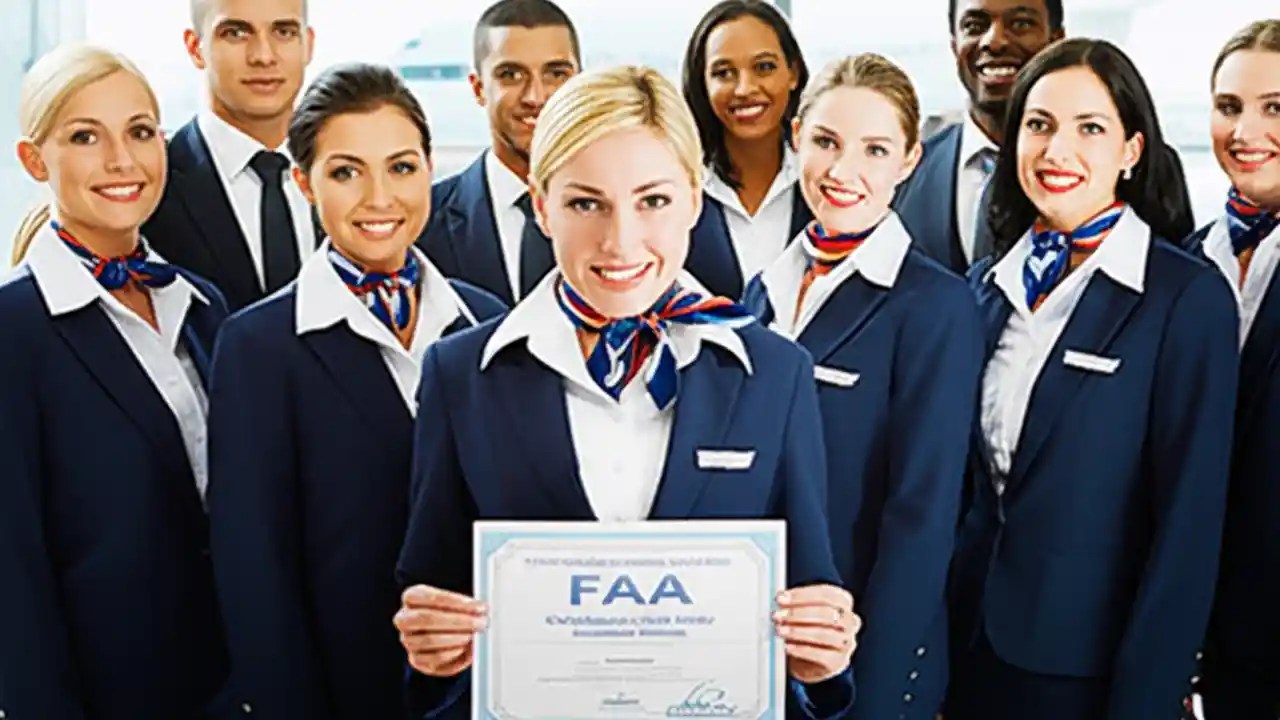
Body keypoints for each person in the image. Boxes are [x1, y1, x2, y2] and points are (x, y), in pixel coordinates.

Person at [393, 65, 859, 720]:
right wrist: (430, 651)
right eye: (587, 203)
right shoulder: (460, 375)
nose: (620, 241)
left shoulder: (774, 375)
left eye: (654, 201)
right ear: (541, 204)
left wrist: (822, 664)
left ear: (695, 199)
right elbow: (430, 604)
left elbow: (810, 610)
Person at [946, 38, 1238, 720]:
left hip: (1089, 673)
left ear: (1132, 150)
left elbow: (1188, 533)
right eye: (1039, 124)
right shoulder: (983, 290)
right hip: (968, 658)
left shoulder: (1184, 300)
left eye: (1090, 128)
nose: (1056, 151)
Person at [205, 62, 506, 720]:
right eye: (346, 172)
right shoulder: (258, 345)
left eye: (401, 167)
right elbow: (254, 567)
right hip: (341, 688)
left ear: (430, 167)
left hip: (485, 684)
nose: (379, 198)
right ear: (304, 183)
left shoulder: (491, 323)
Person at [743, 53, 983, 720]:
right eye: (826, 142)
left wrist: (867, 691)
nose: (844, 172)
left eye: (875, 149)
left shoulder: (935, 306)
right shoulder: (760, 292)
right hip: (754, 645)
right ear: (795, 138)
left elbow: (923, 518)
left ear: (910, 160)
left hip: (863, 660)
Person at [0, 44, 228, 719]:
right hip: (102, 694)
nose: (122, 161)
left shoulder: (205, 306)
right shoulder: (12, 331)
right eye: (84, 137)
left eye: (140, 131)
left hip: (226, 687)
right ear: (35, 162)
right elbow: (11, 571)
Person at [1187, 19, 1280, 720]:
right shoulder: (1178, 263)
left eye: (1275, 108)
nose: (1245, 130)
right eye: (1229, 107)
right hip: (1193, 628)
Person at [143, 0, 317, 310]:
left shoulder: (346, 173)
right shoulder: (149, 186)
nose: (263, 56)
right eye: (236, 33)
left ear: (308, 44)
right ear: (196, 47)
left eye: (284, 31)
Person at [416, 0, 581, 306]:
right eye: (511, 75)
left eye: (555, 74)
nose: (535, 96)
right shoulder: (422, 223)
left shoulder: (628, 214)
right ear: (478, 89)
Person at [892, 0, 1065, 273]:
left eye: (1020, 24)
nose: (994, 42)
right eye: (974, 26)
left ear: (1056, 41)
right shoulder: (902, 173)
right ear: (954, 45)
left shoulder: (1102, 171)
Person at [683, 0, 812, 298]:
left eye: (764, 67)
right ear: (703, 82)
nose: (744, 89)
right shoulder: (677, 184)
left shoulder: (825, 178)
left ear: (792, 73)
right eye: (724, 73)